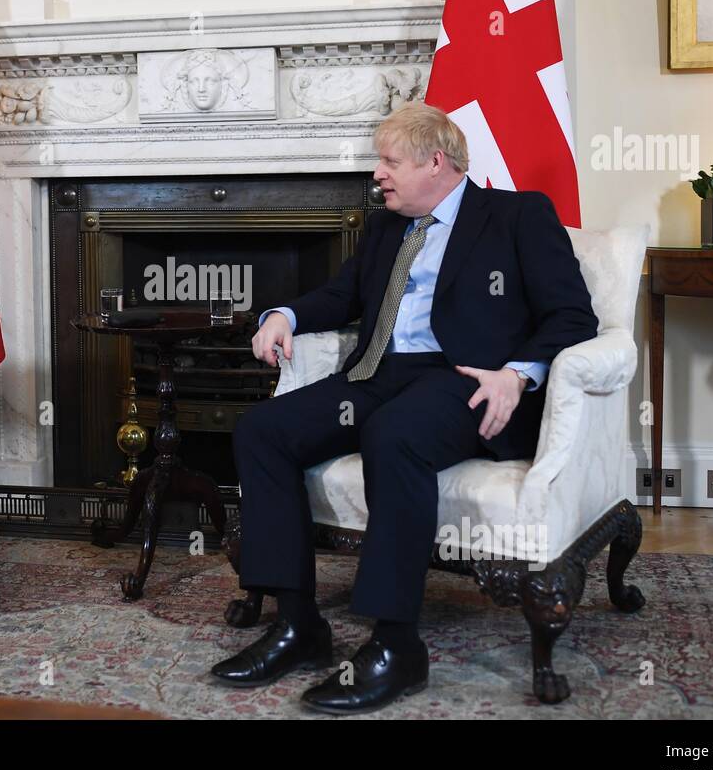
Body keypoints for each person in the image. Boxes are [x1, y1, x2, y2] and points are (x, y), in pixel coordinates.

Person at [211, 102, 598, 713]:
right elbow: (344, 296)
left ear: (435, 162)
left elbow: (574, 315)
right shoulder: (387, 226)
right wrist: (284, 314)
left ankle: (395, 644)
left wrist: (517, 375)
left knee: (393, 434)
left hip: (463, 382)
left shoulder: (517, 216)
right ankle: (297, 624)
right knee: (263, 429)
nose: (377, 175)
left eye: (389, 161)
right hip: (377, 375)